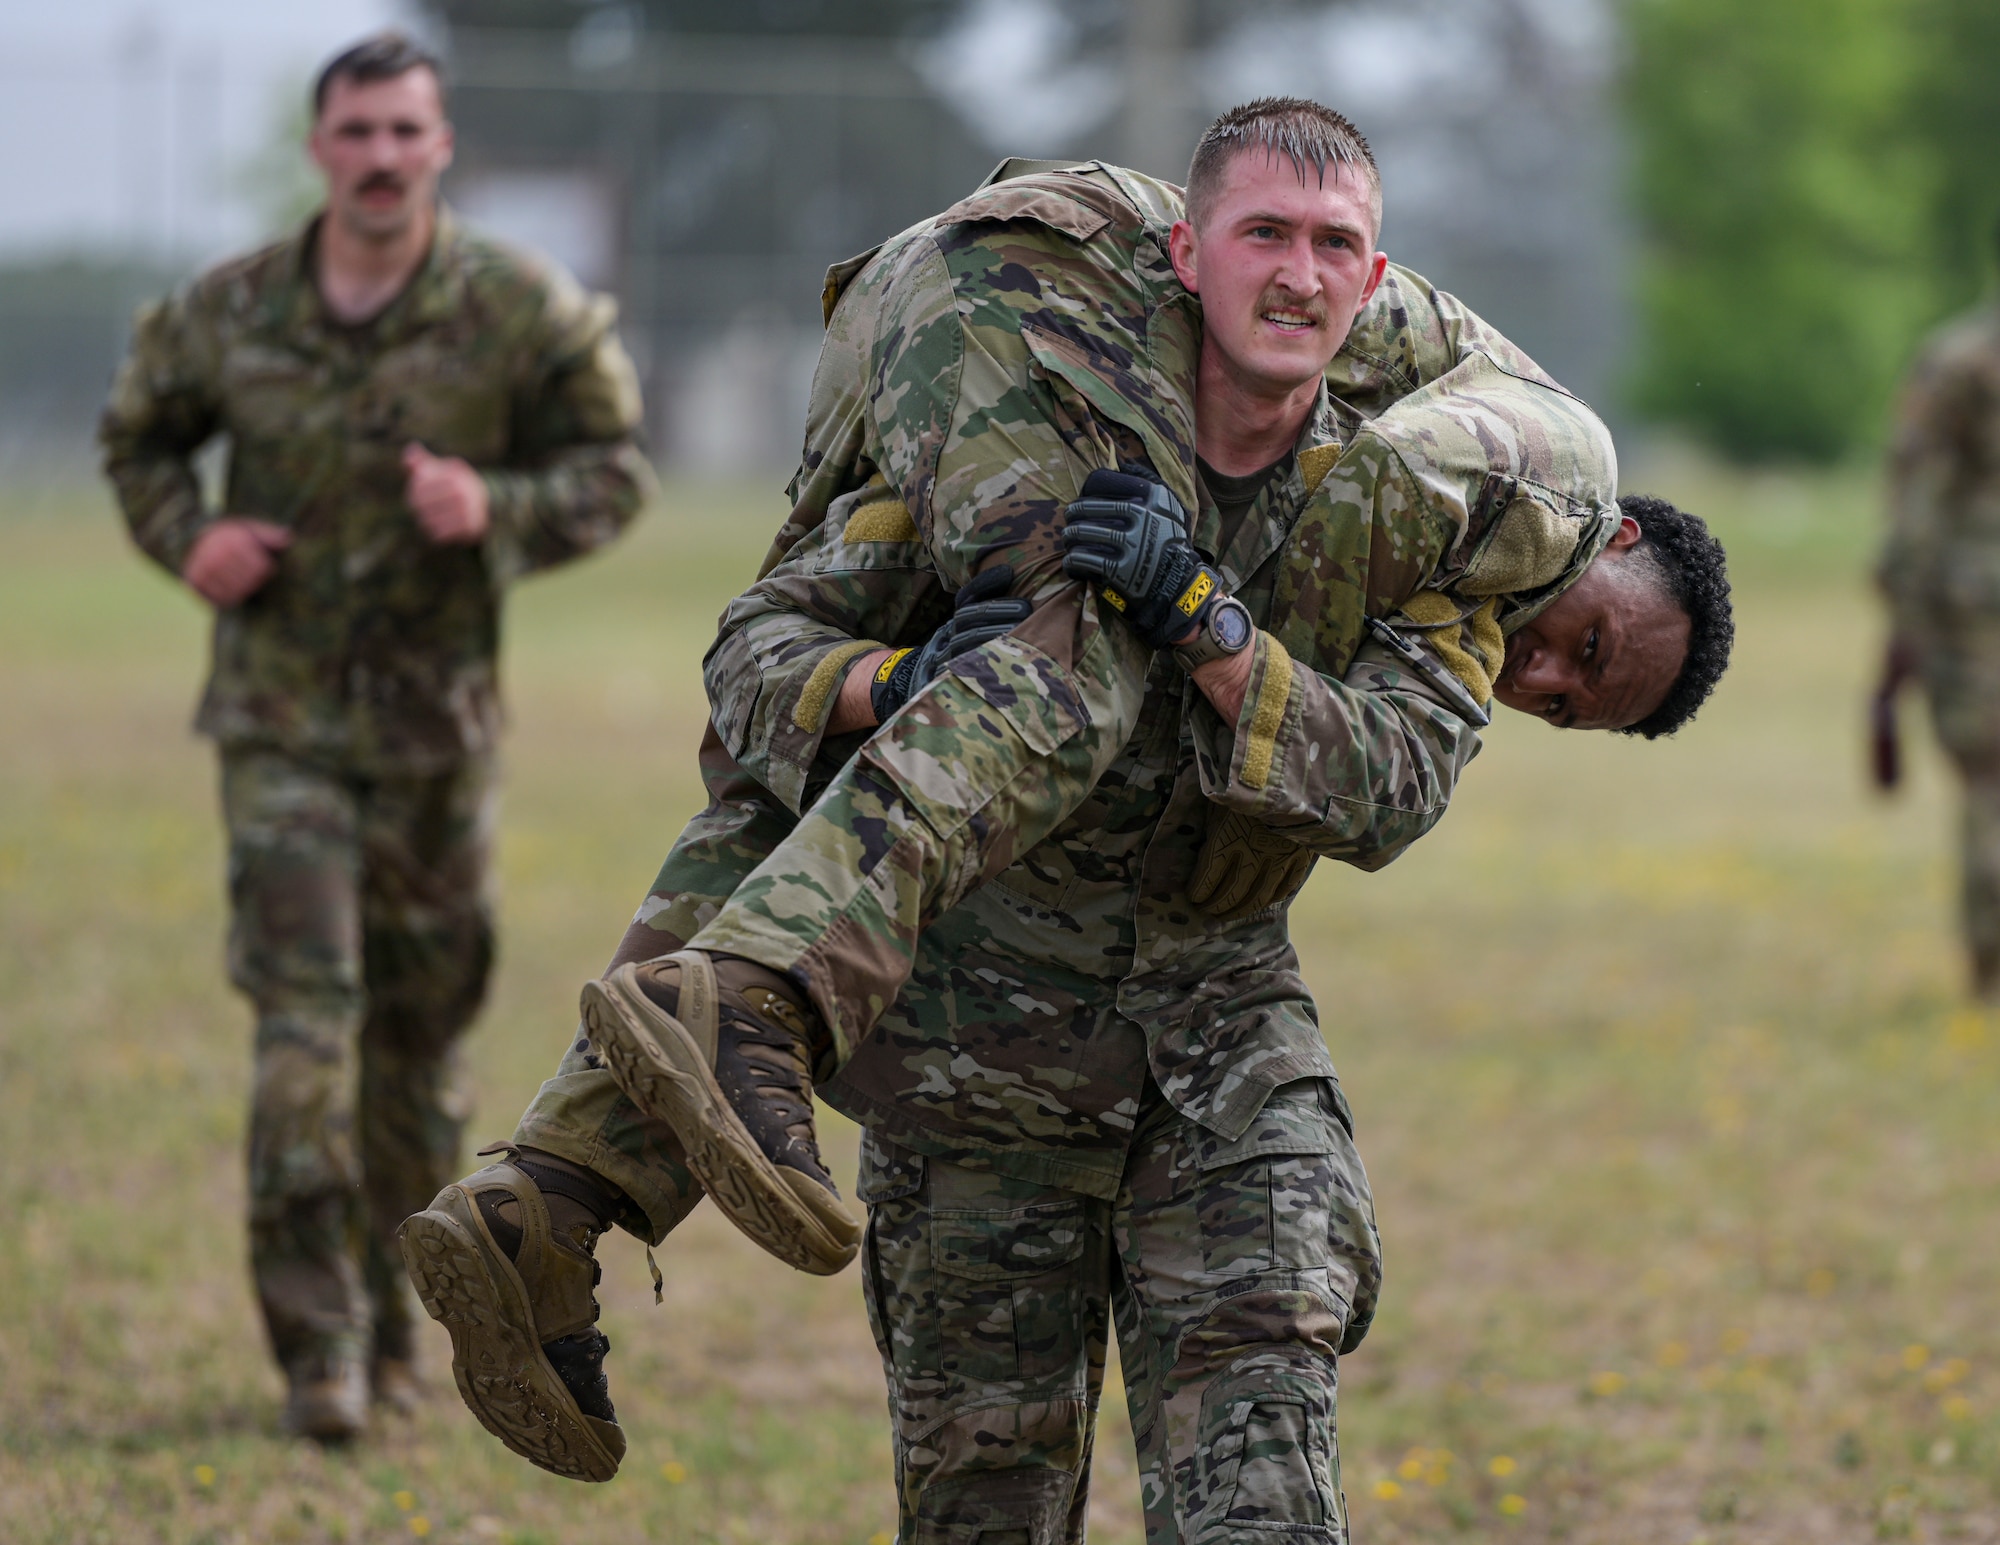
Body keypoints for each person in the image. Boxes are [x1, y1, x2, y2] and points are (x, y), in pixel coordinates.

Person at [403, 102, 1732, 1539]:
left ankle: (581, 1163)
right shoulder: (1025, 425)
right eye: (1585, 648)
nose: (1540, 670)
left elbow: (1383, 787)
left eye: (1565, 704)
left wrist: (1215, 624)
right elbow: (758, 665)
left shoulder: (1442, 597)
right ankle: (593, 1156)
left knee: (1264, 1491)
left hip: (1214, 1057)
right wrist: (894, 678)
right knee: (986, 1506)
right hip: (974, 1060)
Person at [99, 32, 653, 1442]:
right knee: (304, 1037)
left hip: (435, 737)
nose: (383, 156)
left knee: (418, 1052)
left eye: (407, 130)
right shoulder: (227, 312)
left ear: (441, 144)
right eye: (357, 131)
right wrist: (190, 537)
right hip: (279, 725)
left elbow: (613, 467)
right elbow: (139, 441)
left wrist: (500, 512)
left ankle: (402, 1329)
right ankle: (317, 1351)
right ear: (320, 148)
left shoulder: (519, 307)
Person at [1877, 250, 2000, 997]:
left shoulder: (1960, 358)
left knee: (1988, 777)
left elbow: (1913, 483)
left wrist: (1902, 599)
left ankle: (1992, 963)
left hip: (1967, 597)